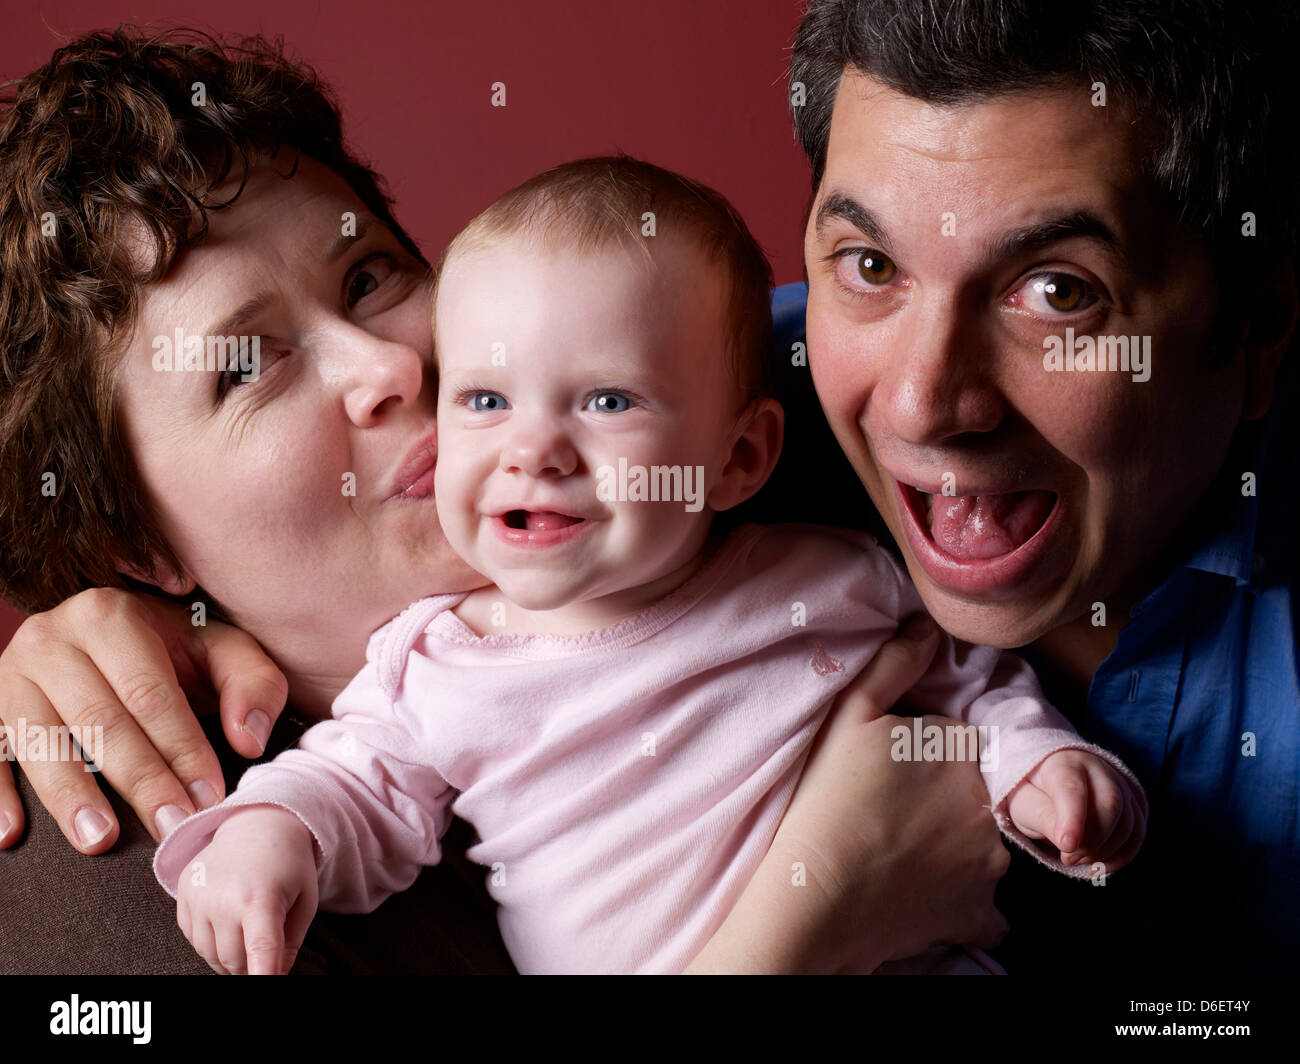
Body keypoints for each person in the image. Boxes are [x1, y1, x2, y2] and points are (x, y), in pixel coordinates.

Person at [0, 27, 1011, 975]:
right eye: (247, 366)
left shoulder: (811, 430)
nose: (392, 362)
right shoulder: (130, 872)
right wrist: (804, 917)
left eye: (367, 277)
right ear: (136, 545)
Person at [151, 156, 1146, 975]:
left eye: (607, 402)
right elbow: (354, 787)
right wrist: (271, 833)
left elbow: (967, 675)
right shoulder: (438, 665)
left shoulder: (827, 572)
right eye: (487, 400)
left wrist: (1034, 759)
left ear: (740, 458)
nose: (532, 450)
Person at [781, 0, 1300, 971]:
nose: (922, 404)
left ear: (1258, 327)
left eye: (1057, 290)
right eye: (870, 265)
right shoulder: (674, 426)